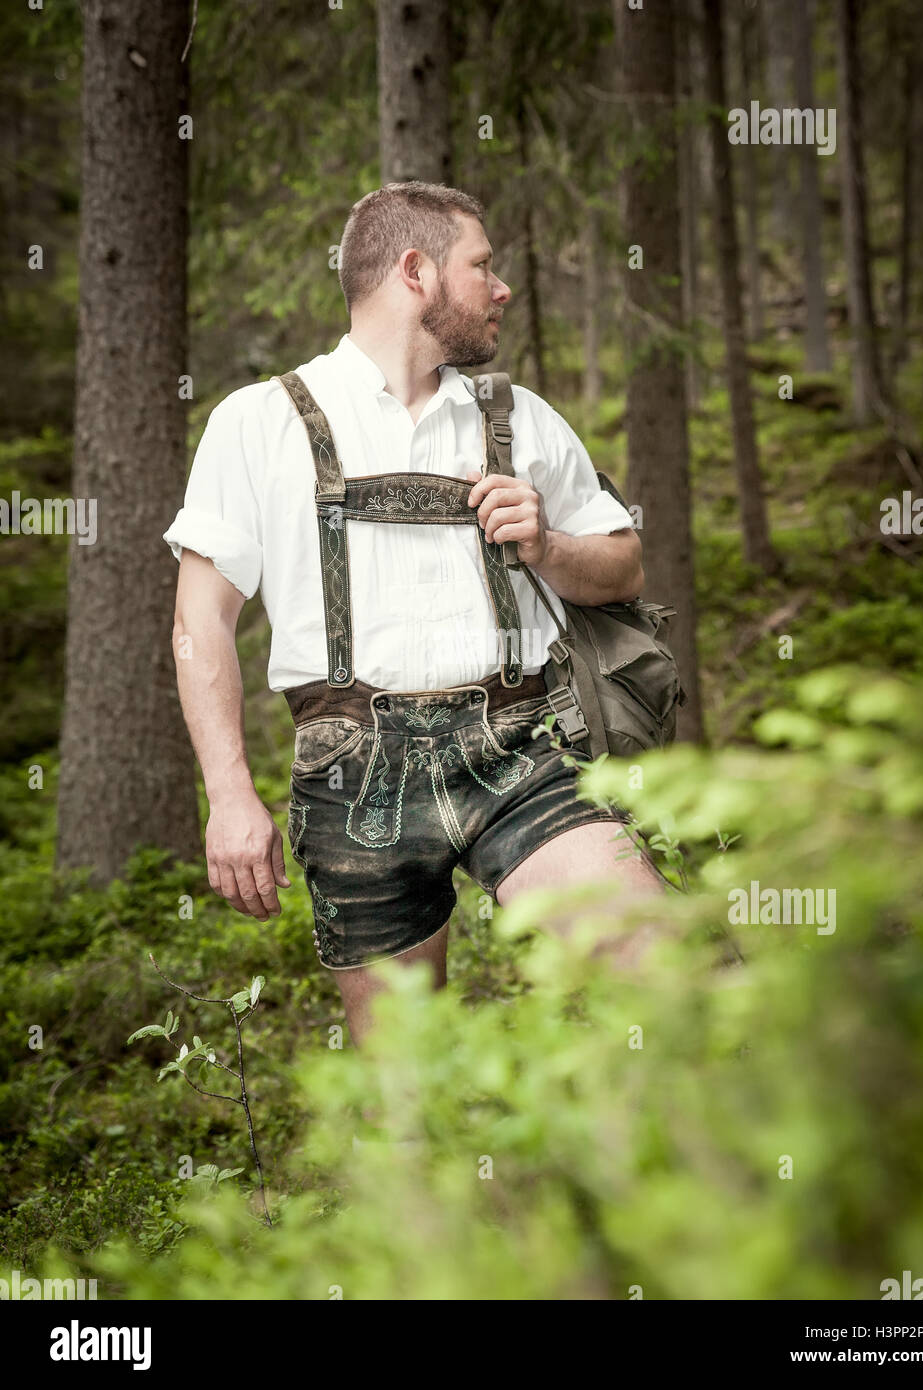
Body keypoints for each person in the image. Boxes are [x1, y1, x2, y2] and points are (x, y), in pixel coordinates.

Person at [164, 181, 665, 1045]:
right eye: (482, 266)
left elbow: (623, 564)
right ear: (414, 270)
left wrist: (547, 544)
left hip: (523, 748)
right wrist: (229, 794)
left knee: (664, 975)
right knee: (400, 1088)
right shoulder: (257, 422)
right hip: (353, 770)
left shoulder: (518, 417)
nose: (502, 288)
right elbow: (199, 623)